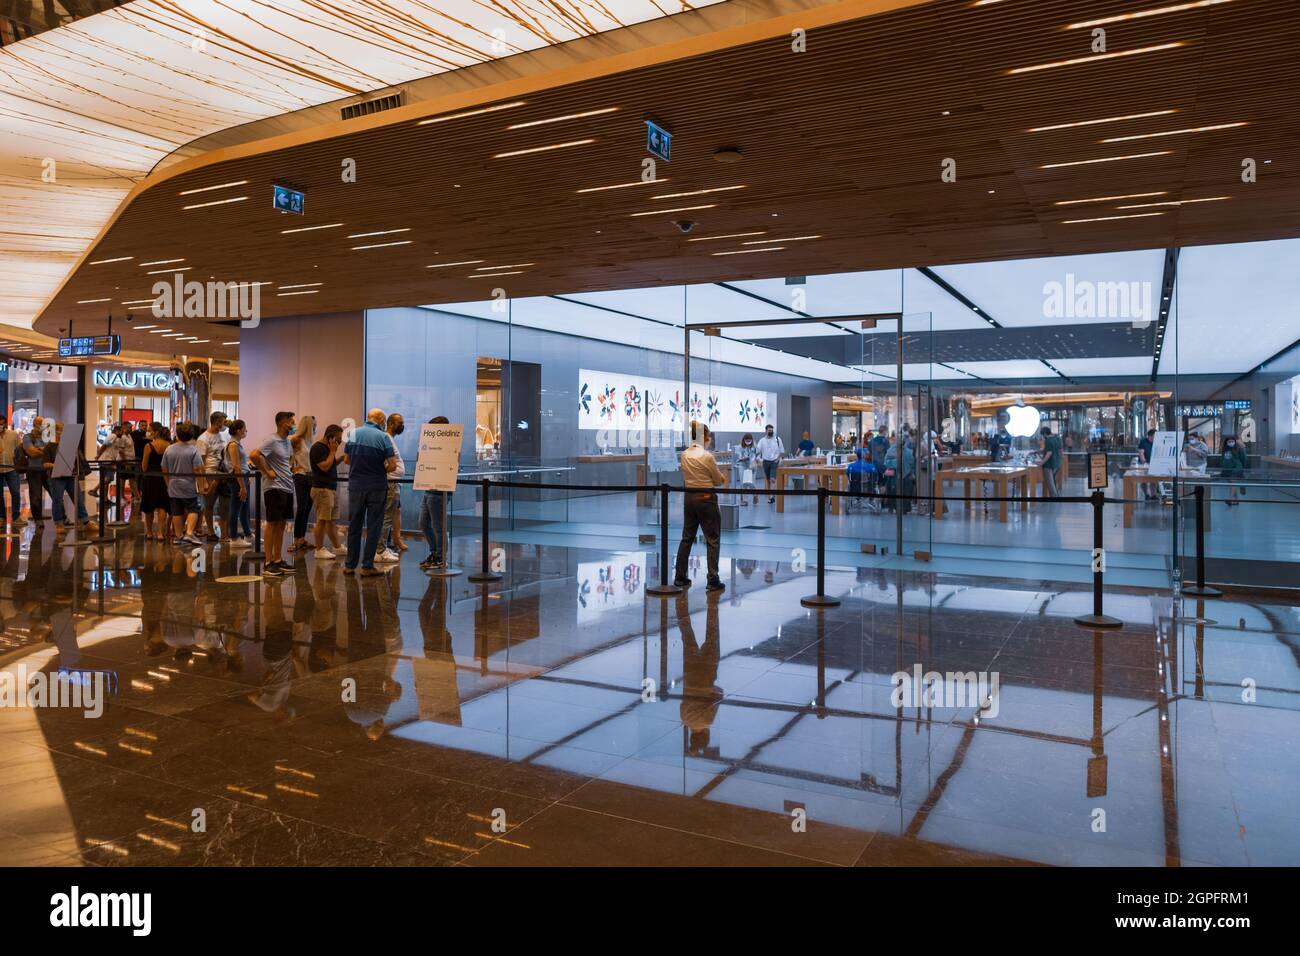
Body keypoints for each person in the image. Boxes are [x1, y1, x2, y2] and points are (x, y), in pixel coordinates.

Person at [344, 408, 398, 576]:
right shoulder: (383, 437)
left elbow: (346, 460)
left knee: (354, 526)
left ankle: (349, 565)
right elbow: (393, 465)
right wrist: (380, 469)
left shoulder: (352, 433)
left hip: (356, 487)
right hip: (376, 487)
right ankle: (367, 566)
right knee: (374, 527)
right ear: (381, 420)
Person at [674, 420, 726, 593]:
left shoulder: (684, 455)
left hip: (689, 497)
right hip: (706, 497)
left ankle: (680, 577)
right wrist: (722, 478)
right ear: (704, 437)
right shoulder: (707, 456)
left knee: (687, 536)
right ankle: (713, 579)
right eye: (709, 436)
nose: (709, 439)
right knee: (712, 539)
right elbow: (718, 481)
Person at [249, 411, 297, 576]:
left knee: (282, 524)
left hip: (287, 487)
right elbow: (254, 455)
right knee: (272, 523)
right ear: (285, 424)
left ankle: (278, 559)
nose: (294, 425)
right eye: (292, 422)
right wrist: (266, 471)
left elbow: (288, 460)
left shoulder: (287, 442)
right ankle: (268, 562)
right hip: (274, 487)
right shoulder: (271, 440)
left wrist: (290, 469)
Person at [160, 421, 204, 547]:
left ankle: (178, 536)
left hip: (173, 485)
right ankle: (189, 533)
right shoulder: (193, 451)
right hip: (188, 485)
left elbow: (164, 468)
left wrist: (168, 483)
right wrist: (200, 487)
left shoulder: (169, 449)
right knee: (193, 509)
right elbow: (198, 470)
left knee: (176, 511)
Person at [43, 422, 92, 531]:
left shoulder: (71, 445)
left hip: (70, 476)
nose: (62, 432)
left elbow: (77, 460)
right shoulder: (49, 447)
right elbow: (45, 464)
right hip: (56, 477)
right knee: (57, 500)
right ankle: (59, 523)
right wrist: (56, 465)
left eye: (64, 430)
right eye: (60, 430)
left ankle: (86, 521)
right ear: (55, 432)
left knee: (78, 498)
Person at [309, 423, 345, 558]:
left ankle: (337, 547)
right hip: (322, 489)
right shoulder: (318, 448)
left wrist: (340, 458)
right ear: (330, 437)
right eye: (338, 439)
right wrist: (333, 452)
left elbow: (330, 464)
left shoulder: (328, 449)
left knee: (331, 521)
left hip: (331, 488)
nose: (340, 442)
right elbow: (324, 467)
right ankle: (319, 549)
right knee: (322, 520)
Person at [418, 416, 450, 570]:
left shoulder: (449, 445)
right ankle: (435, 553)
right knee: (423, 523)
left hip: (440, 491)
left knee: (438, 526)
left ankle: (441, 557)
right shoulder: (431, 445)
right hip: (429, 488)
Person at [194, 411, 229, 540]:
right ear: (217, 422)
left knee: (225, 505)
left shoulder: (224, 436)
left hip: (223, 474)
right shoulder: (203, 439)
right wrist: (203, 481)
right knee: (209, 505)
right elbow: (200, 462)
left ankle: (225, 533)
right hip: (210, 473)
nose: (225, 424)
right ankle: (210, 531)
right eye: (223, 421)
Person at [377, 413, 406, 563]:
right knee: (387, 518)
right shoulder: (386, 438)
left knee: (390, 515)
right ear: (391, 423)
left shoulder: (391, 439)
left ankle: (384, 546)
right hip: (390, 482)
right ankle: (380, 550)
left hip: (394, 482)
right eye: (400, 422)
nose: (402, 425)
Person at [288, 415, 317, 555]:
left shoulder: (310, 441)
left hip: (311, 477)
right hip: (300, 477)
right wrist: (292, 467)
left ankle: (302, 539)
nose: (315, 427)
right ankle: (296, 539)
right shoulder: (296, 440)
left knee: (307, 509)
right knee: (301, 508)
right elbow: (287, 456)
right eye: (314, 425)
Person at [222, 420, 253, 548]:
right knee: (235, 508)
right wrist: (242, 486)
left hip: (243, 477)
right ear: (239, 430)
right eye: (244, 429)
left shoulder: (237, 444)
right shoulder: (233, 445)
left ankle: (247, 534)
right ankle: (234, 538)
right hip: (237, 480)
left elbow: (241, 464)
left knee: (244, 508)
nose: (246, 431)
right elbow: (236, 467)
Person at [140, 423, 171, 540]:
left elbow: (144, 466)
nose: (148, 432)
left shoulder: (149, 446)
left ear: (156, 432)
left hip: (150, 477)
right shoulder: (169, 445)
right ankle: (160, 533)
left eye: (150, 430)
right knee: (163, 506)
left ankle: (148, 532)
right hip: (164, 477)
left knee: (149, 506)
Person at [0, 416, 23, 528]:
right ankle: (1, 517)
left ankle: (16, 516)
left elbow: (20, 449)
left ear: (5, 424)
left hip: (11, 467)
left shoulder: (13, 434)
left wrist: (18, 462)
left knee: (15, 492)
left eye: (2, 424)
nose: (1, 426)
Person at [22, 417, 47, 523]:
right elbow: (31, 452)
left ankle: (62, 518)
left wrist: (39, 450)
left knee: (56, 495)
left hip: (47, 469)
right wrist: (44, 450)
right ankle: (38, 519)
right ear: (34, 425)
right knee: (35, 496)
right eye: (40, 424)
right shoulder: (28, 437)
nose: (43, 426)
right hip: (33, 470)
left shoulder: (47, 437)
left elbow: (54, 450)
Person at [754, 423, 784, 505]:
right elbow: (758, 450)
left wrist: (777, 459)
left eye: (771, 430)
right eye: (769, 430)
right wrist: (755, 446)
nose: (770, 431)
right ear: (766, 431)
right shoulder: (762, 440)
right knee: (767, 480)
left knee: (772, 479)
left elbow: (781, 451)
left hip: (774, 461)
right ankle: (772, 494)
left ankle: (771, 497)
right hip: (765, 461)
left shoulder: (777, 439)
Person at [1221, 434, 1248, 505]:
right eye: (1229, 441)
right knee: (1232, 484)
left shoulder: (1239, 448)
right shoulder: (1225, 449)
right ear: (1226, 442)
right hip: (1227, 469)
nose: (1231, 443)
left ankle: (1230, 499)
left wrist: (1242, 467)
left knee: (1233, 483)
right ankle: (1236, 500)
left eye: (1232, 441)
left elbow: (1244, 459)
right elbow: (1222, 458)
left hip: (1236, 468)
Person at [735, 433, 758, 505]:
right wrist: (742, 458)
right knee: (743, 483)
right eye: (747, 440)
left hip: (752, 466)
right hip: (742, 465)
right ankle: (744, 500)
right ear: (744, 440)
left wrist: (752, 459)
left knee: (751, 482)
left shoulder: (754, 446)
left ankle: (755, 495)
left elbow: (756, 456)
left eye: (749, 440)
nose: (748, 442)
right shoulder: (739, 447)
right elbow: (737, 456)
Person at [1040, 425, 1062, 497]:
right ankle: (1057, 495)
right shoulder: (1057, 438)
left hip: (1049, 465)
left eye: (1042, 435)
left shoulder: (1048, 441)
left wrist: (1042, 462)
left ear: (1045, 434)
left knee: (1050, 482)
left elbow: (1049, 453)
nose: (1042, 437)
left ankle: (1054, 497)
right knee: (1054, 480)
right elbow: (1060, 450)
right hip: (1057, 463)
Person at [1137, 428, 1158, 501]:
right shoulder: (1143, 441)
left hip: (1153, 463)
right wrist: (1143, 459)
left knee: (1154, 480)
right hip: (1144, 464)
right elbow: (1141, 452)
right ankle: (1146, 494)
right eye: (1155, 436)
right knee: (1144, 480)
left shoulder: (1157, 442)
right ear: (1150, 436)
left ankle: (1153, 495)